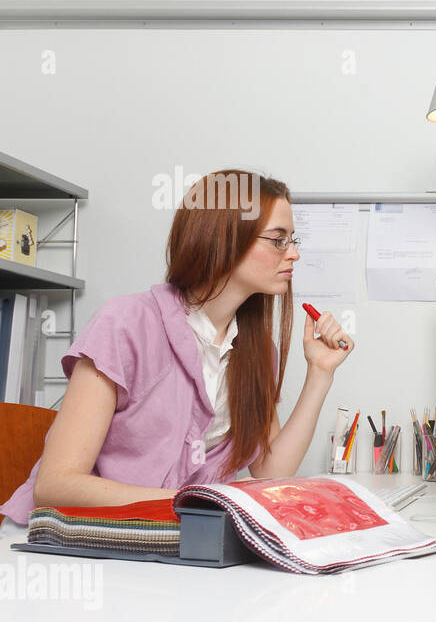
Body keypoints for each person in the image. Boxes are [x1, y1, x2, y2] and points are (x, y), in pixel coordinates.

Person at [0, 170, 354, 525]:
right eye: (278, 240)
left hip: (171, 543)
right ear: (225, 240)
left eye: (294, 240)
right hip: (75, 540)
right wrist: (197, 503)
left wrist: (320, 374)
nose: (293, 253)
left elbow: (271, 470)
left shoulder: (257, 350)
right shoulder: (125, 323)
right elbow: (55, 484)